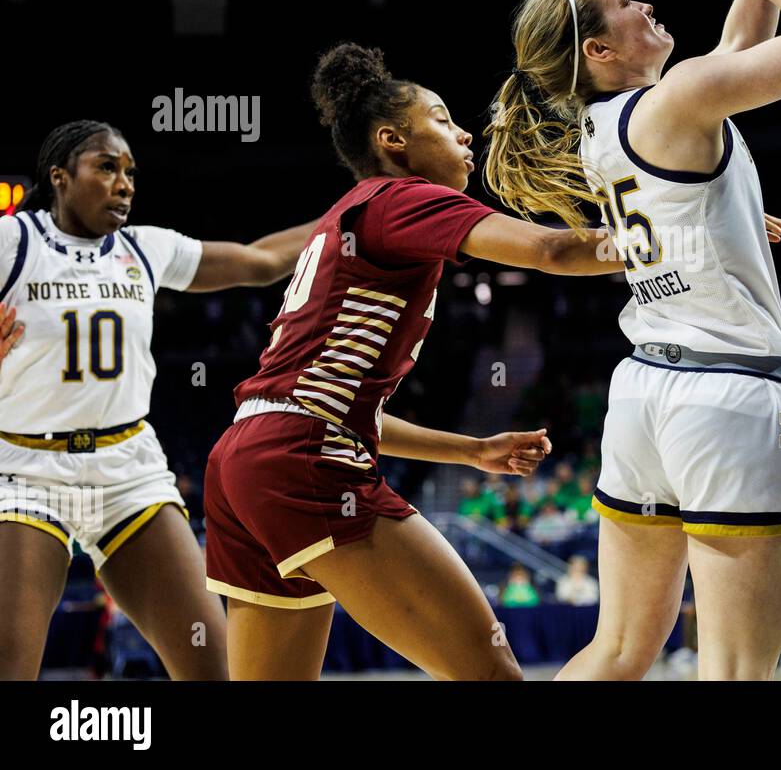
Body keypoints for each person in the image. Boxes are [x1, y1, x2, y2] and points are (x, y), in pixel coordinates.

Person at [485, 0, 781, 681]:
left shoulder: (603, 129)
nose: (646, 4)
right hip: (729, 393)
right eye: (625, 3)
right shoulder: (677, 99)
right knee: (735, 668)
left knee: (619, 649)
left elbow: (735, 57)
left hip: (646, 391)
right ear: (599, 51)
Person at [202, 42, 628, 680]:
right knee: (490, 673)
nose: (465, 134)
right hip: (302, 458)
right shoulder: (403, 197)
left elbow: (331, 405)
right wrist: (681, 234)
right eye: (442, 119)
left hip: (245, 456)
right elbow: (553, 250)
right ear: (392, 140)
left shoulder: (342, 218)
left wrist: (471, 451)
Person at [0, 119, 318, 680]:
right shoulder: (13, 242)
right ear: (59, 177)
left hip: (128, 469)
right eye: (106, 168)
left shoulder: (145, 247)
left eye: (130, 172)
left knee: (211, 664)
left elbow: (261, 261)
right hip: (28, 469)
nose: (124, 183)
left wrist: (354, 213)